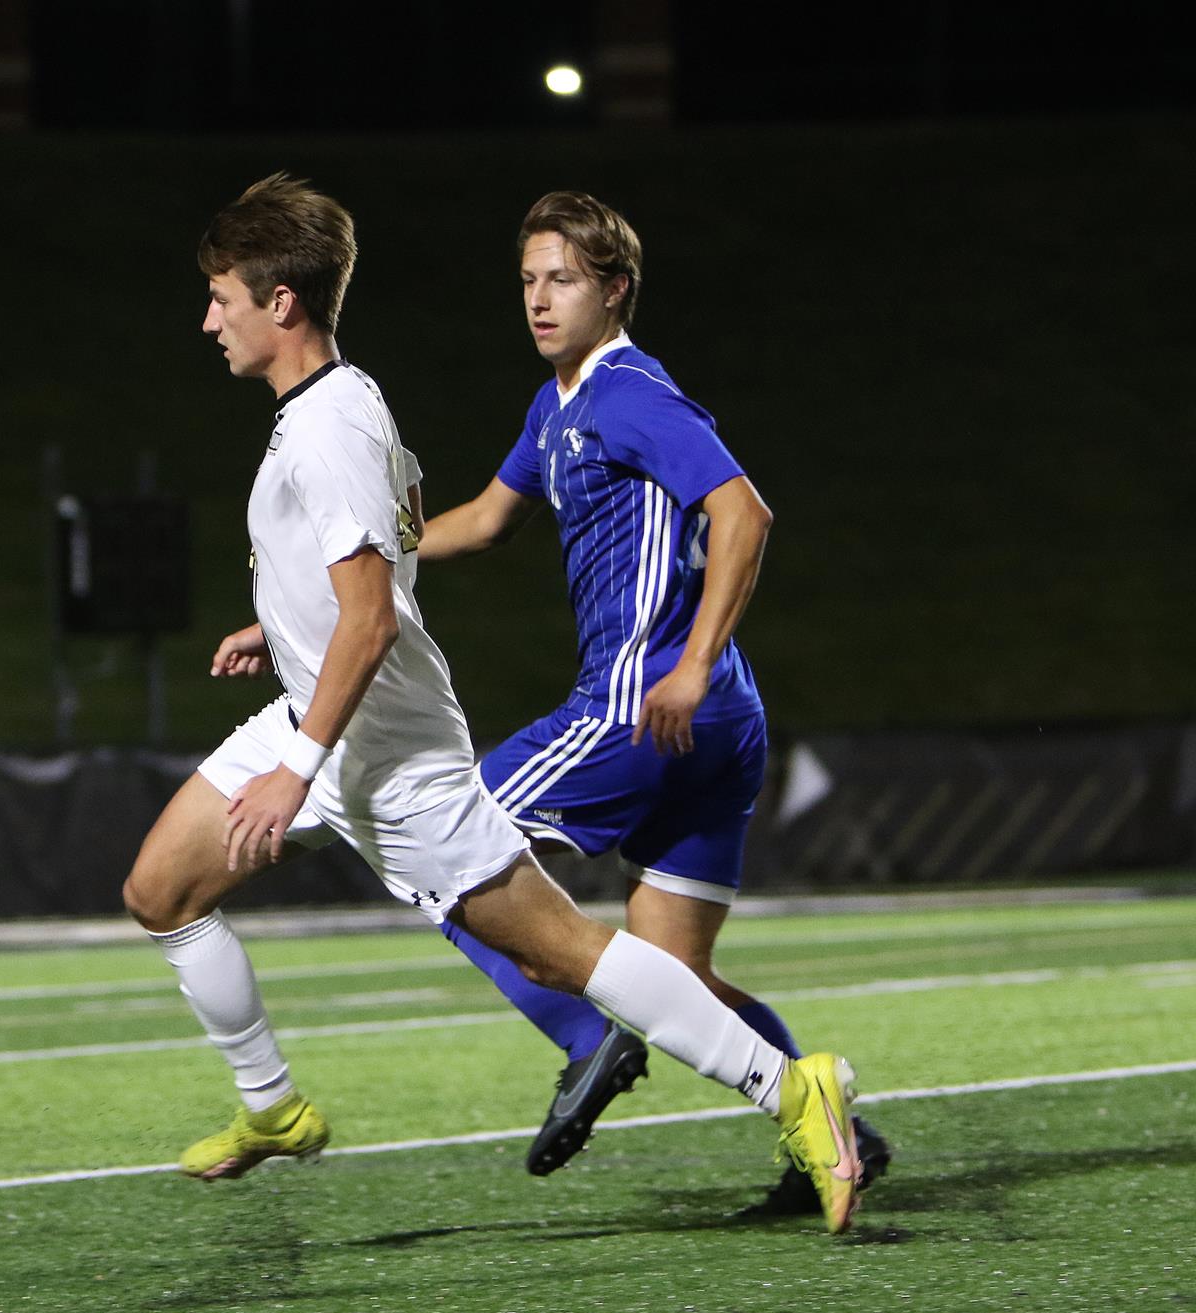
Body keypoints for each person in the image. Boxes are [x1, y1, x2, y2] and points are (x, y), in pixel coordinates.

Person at [122, 173, 866, 1234]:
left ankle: (791, 1086)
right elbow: (404, 547)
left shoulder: (344, 422)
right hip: (316, 710)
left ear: (278, 301)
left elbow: (372, 618)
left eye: (219, 297)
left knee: (564, 953)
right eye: (528, 278)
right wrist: (280, 620)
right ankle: (272, 1106)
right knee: (160, 886)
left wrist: (299, 767)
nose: (208, 319)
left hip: (382, 745)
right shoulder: (348, 407)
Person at [415, 190, 888, 1211]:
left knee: (435, 847)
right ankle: (826, 1135)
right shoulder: (558, 404)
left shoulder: (627, 393)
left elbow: (742, 513)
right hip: (717, 722)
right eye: (528, 280)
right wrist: (370, 552)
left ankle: (589, 1043)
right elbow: (488, 520)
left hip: (646, 702)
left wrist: (686, 663)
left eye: (563, 281)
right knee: (674, 978)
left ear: (614, 289)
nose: (539, 301)